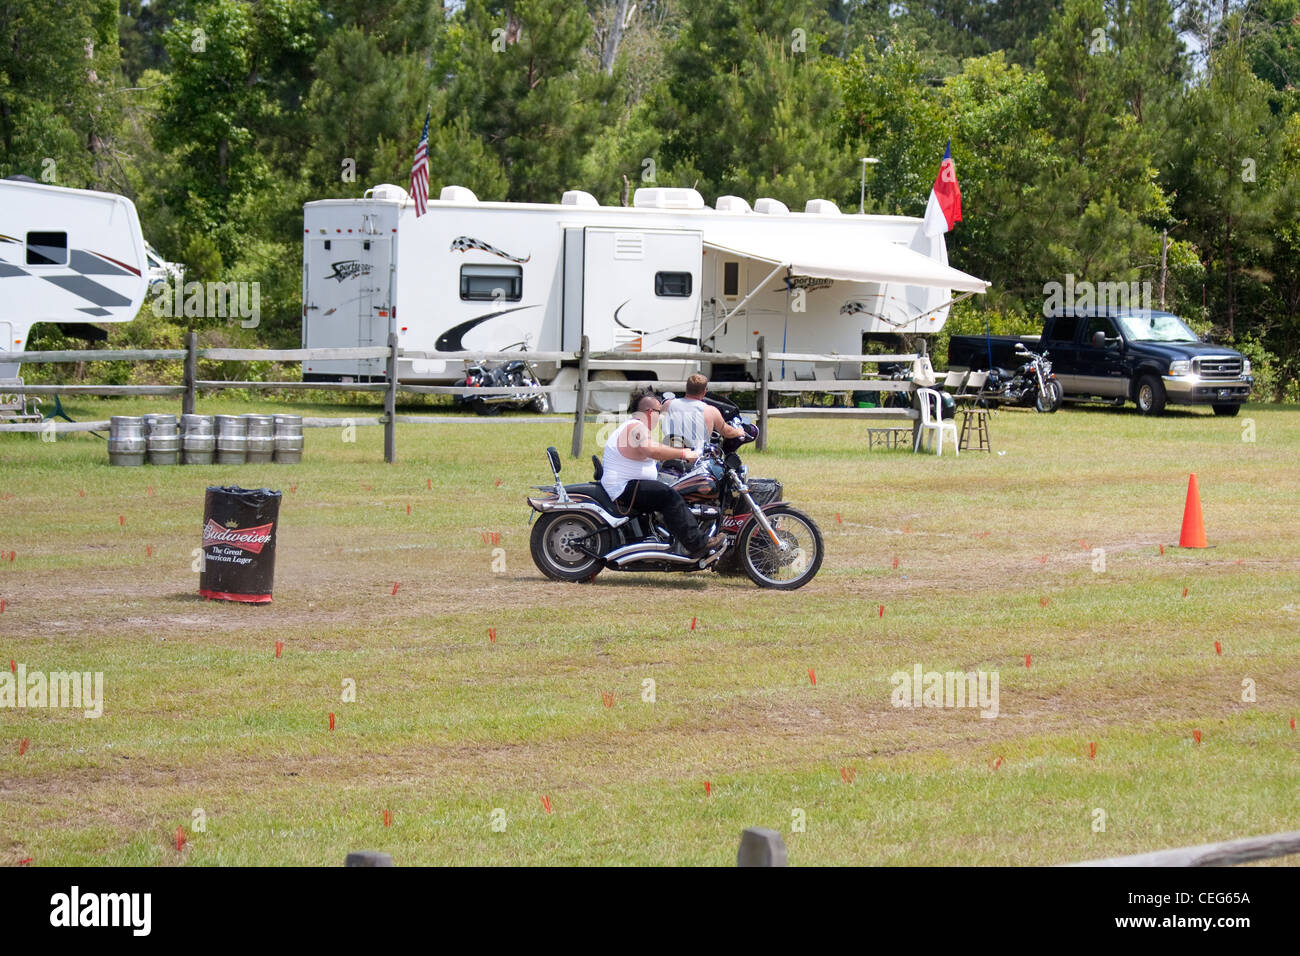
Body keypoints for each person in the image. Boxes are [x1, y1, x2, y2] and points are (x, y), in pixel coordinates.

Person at [601, 394, 726, 558]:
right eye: (659, 412)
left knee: (672, 486)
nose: (659, 417)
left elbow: (654, 449)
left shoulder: (633, 426)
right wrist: (683, 453)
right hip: (624, 487)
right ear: (649, 411)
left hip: (626, 484)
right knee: (669, 496)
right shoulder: (636, 427)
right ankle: (697, 544)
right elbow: (651, 450)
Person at [661, 373, 745, 452]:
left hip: (669, 455)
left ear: (686, 388)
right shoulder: (710, 411)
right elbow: (726, 432)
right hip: (694, 459)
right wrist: (738, 431)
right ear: (704, 392)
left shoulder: (668, 404)